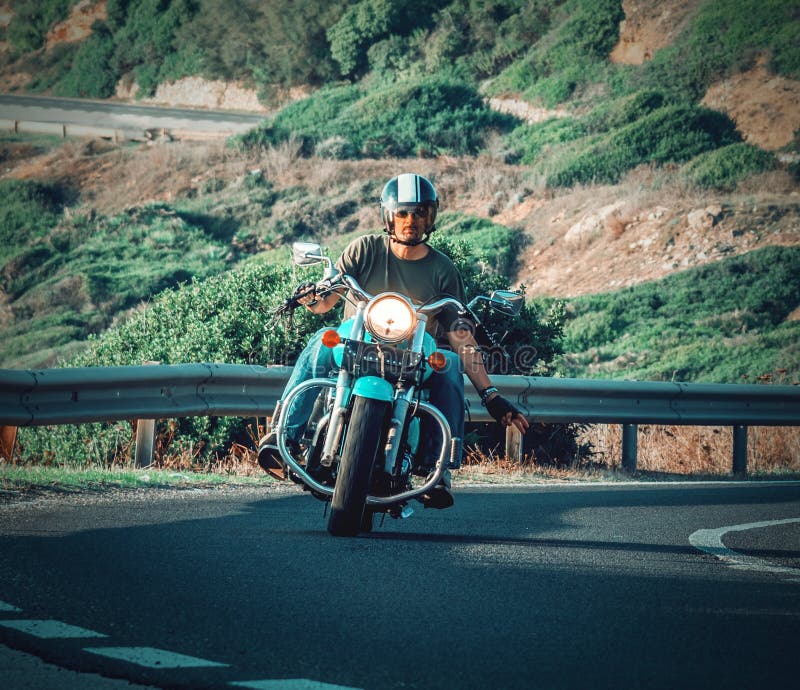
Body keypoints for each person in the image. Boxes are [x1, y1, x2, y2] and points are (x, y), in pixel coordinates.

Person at [259, 172, 529, 508]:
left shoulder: (443, 270)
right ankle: (283, 435)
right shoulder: (364, 249)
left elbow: (461, 335)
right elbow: (326, 301)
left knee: (449, 363)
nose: (410, 221)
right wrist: (311, 297)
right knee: (320, 341)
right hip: (356, 341)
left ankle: (436, 468)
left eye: (419, 213)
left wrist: (491, 396)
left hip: (413, 352)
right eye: (402, 213)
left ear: (430, 217)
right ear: (388, 215)